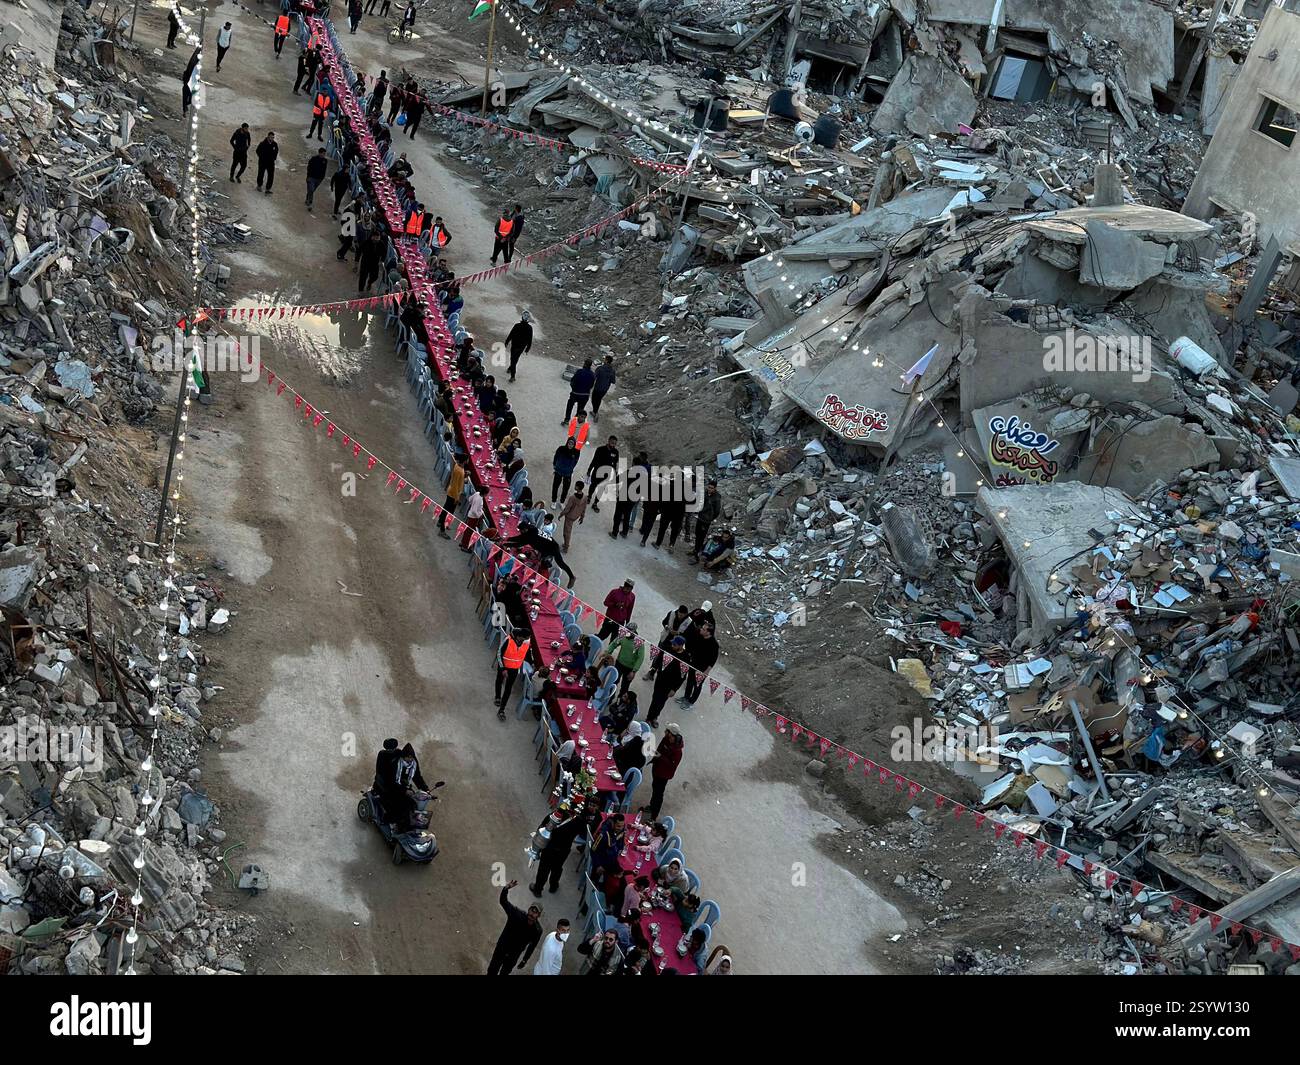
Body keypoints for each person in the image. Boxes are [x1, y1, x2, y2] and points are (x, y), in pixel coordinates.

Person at [487, 880, 542, 974]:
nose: (532, 914)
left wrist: (525, 959)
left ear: (539, 915)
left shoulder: (537, 931)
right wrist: (506, 888)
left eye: (535, 912)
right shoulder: (516, 914)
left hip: (513, 955)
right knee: (492, 970)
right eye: (531, 910)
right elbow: (503, 901)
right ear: (528, 910)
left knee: (505, 973)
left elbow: (532, 946)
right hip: (502, 948)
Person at [531, 808, 585, 896]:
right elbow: (582, 833)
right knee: (557, 868)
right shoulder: (579, 820)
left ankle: (537, 890)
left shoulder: (556, 814)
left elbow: (542, 826)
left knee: (544, 869)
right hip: (564, 849)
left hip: (550, 847)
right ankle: (553, 886)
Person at [645, 636, 687, 727]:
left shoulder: (685, 657)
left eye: (675, 645)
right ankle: (649, 717)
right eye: (672, 643)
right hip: (660, 679)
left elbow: (682, 676)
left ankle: (655, 717)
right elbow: (659, 659)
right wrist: (654, 669)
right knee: (655, 699)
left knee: (662, 701)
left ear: (681, 646)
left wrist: (674, 689)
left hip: (670, 684)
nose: (672, 646)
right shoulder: (668, 649)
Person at [646, 724, 683, 818]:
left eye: (667, 730)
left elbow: (673, 765)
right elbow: (660, 748)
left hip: (664, 775)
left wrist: (660, 757)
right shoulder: (666, 739)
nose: (665, 731)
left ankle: (654, 816)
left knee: (658, 794)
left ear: (671, 734)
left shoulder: (677, 751)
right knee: (655, 789)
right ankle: (651, 806)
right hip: (657, 769)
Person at [645, 605, 691, 680]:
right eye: (679, 614)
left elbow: (687, 634)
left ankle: (661, 675)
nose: (679, 616)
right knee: (658, 656)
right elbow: (664, 622)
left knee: (669, 659)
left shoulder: (689, 621)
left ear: (685, 614)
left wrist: (678, 633)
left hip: (676, 644)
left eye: (681, 615)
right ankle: (651, 672)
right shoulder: (672, 613)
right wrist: (667, 627)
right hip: (665, 638)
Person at [611, 452, 649, 539]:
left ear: (633, 464)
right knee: (627, 515)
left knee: (618, 514)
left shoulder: (629, 472)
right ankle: (624, 532)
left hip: (623, 496)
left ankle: (614, 533)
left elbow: (617, 480)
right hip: (633, 499)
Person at [495, 627, 530, 719]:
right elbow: (499, 654)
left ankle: (502, 710)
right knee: (499, 681)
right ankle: (497, 697)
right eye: (524, 639)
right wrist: (503, 669)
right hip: (504, 666)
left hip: (514, 669)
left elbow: (526, 654)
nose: (526, 641)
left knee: (508, 688)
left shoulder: (527, 641)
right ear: (519, 636)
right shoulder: (508, 640)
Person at [688, 479, 725, 564]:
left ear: (715, 488)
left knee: (701, 537)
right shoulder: (705, 493)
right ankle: (695, 550)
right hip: (700, 517)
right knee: (697, 534)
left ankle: (696, 556)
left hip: (706, 521)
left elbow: (717, 511)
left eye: (711, 488)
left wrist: (710, 518)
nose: (709, 489)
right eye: (709, 487)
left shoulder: (716, 498)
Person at [607, 625, 644, 694]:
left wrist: (634, 671)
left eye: (629, 631)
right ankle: (610, 697)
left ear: (634, 631)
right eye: (626, 630)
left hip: (630, 668)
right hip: (619, 663)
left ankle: (620, 699)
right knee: (614, 681)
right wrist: (607, 652)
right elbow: (614, 644)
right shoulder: (623, 635)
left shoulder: (639, 642)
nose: (627, 632)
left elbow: (640, 658)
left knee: (625, 687)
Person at [585, 436, 618, 513]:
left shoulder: (616, 452)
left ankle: (595, 503)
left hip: (606, 474)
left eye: (615, 443)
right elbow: (594, 460)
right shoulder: (600, 449)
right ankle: (589, 497)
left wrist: (615, 474)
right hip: (597, 471)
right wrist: (589, 470)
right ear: (608, 441)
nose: (613, 444)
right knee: (593, 485)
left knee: (601, 489)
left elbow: (615, 463)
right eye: (612, 442)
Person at [439, 456, 466, 537]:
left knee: (448, 510)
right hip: (453, 493)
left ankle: (442, 522)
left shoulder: (458, 466)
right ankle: (442, 530)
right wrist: (457, 498)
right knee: (447, 511)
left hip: (452, 491)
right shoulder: (459, 471)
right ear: (464, 461)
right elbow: (455, 486)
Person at [563, 358, 596, 423]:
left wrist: (573, 389)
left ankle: (567, 419)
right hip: (585, 395)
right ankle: (575, 421)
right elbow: (591, 385)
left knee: (570, 405)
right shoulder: (592, 374)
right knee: (580, 410)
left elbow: (573, 381)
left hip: (575, 393)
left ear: (585, 364)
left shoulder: (579, 371)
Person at [558, 480, 587, 552]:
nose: (574, 486)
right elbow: (584, 507)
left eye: (575, 485)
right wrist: (582, 517)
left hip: (569, 517)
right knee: (568, 531)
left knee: (566, 532)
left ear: (577, 487)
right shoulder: (585, 497)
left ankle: (566, 546)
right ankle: (566, 545)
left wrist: (561, 514)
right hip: (576, 516)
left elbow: (567, 508)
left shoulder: (572, 498)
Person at [551, 437, 580, 504]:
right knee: (555, 486)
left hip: (568, 473)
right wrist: (555, 465)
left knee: (566, 488)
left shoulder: (576, 452)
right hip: (558, 471)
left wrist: (571, 469)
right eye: (569, 443)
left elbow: (576, 461)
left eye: (572, 444)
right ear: (567, 443)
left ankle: (562, 501)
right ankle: (554, 501)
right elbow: (556, 457)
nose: (570, 445)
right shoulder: (561, 448)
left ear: (574, 445)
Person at [505, 312, 532, 381]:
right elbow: (530, 339)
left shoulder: (517, 325)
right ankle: (511, 368)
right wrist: (527, 349)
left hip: (514, 345)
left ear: (522, 318)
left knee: (513, 359)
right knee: (515, 359)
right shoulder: (529, 328)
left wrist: (506, 342)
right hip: (521, 347)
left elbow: (511, 334)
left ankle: (512, 376)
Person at [459, 485, 484, 551]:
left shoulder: (477, 493)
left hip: (470, 515)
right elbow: (474, 511)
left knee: (467, 530)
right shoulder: (479, 499)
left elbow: (470, 499)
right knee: (469, 532)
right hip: (474, 517)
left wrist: (474, 506)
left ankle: (462, 542)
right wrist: (479, 515)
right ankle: (464, 546)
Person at [181, 47, 201, 117]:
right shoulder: (193, 63)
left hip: (192, 82)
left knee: (190, 98)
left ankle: (185, 107)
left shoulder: (196, 63)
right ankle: (184, 109)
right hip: (188, 81)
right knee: (187, 96)